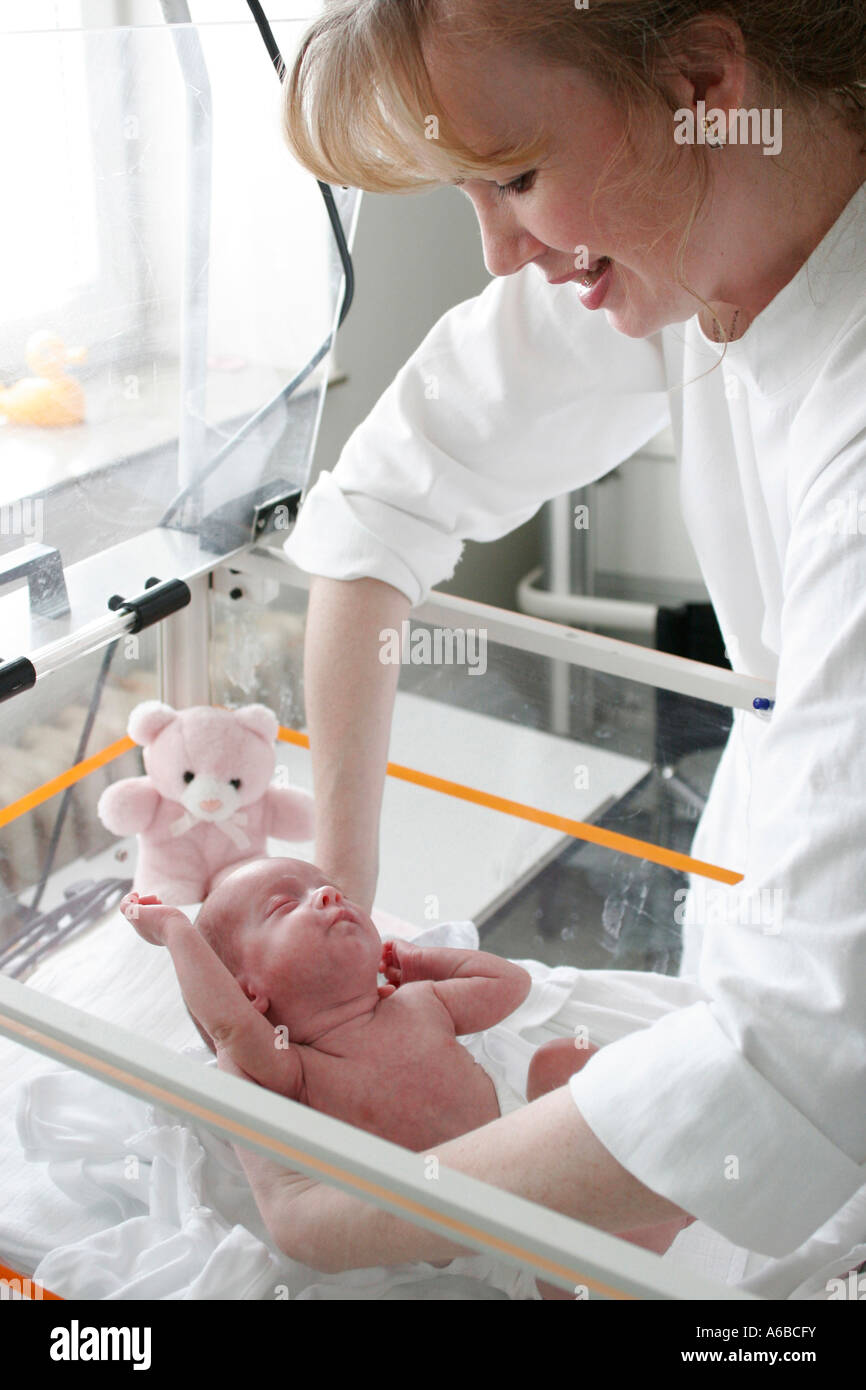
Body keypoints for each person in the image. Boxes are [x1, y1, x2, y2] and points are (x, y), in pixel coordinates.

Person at [238, 1, 866, 1292]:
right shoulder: (688, 227)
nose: (496, 251)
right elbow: (376, 512)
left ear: (701, 78)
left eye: (515, 176)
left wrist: (339, 1212)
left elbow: (799, 1049)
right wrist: (338, 921)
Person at [118, 861, 692, 1299]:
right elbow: (225, 1026)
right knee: (582, 1264)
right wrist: (173, 930)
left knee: (563, 1061)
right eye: (283, 906)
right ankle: (669, 1193)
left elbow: (510, 987)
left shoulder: (418, 1003)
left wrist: (425, 962)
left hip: (532, 1147)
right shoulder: (289, 1064)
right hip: (489, 1233)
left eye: (327, 888)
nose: (327, 895)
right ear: (248, 992)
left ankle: (660, 1170)